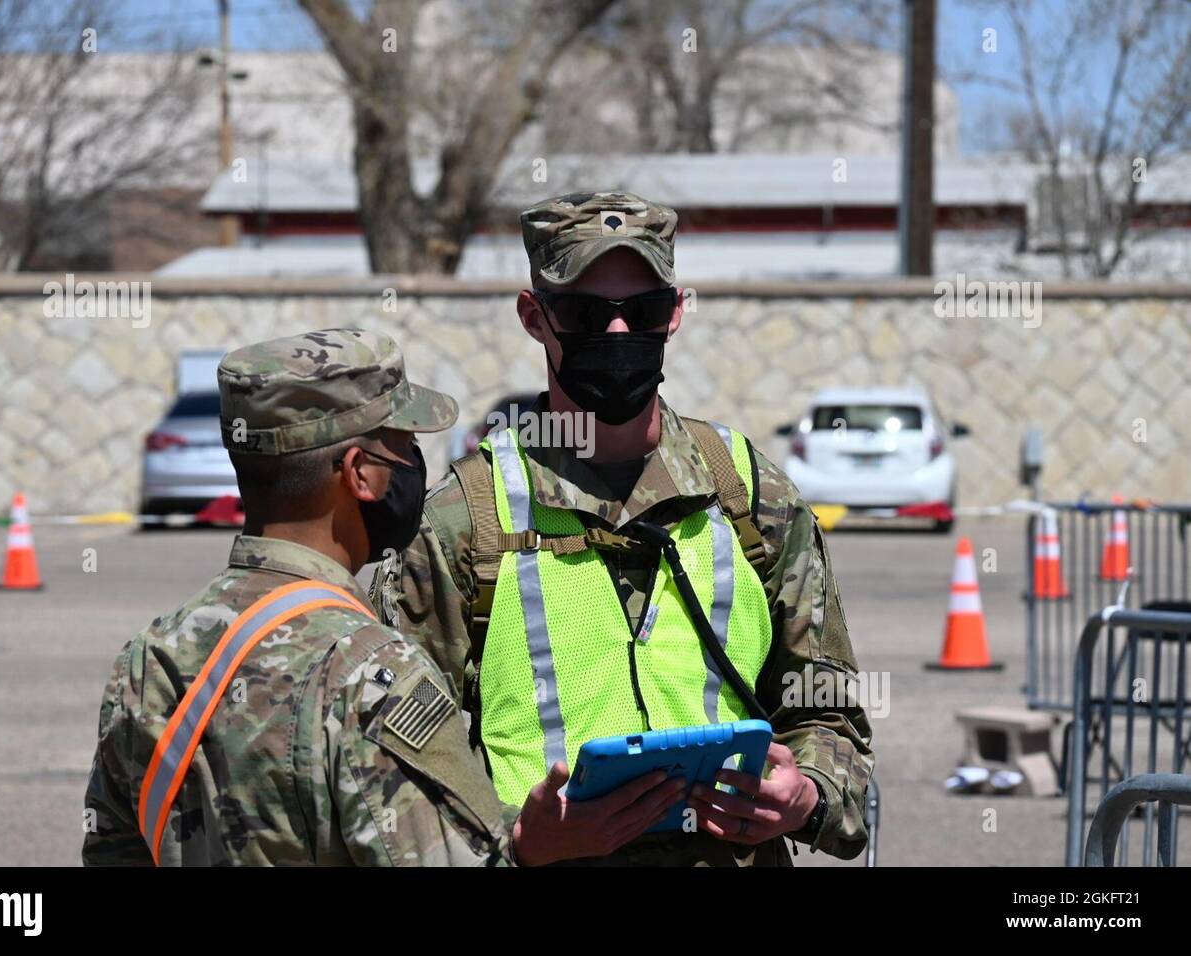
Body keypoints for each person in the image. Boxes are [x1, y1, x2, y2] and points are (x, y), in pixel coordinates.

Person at [373, 193, 876, 866]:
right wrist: (515, 842)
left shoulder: (750, 493)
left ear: (673, 314)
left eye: (639, 313)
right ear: (535, 317)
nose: (615, 336)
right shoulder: (468, 520)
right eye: (584, 313)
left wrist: (807, 794)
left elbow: (829, 710)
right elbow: (390, 770)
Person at [82, 328, 682, 866]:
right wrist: (531, 848)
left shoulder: (152, 656)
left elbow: (111, 850)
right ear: (360, 474)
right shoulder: (373, 672)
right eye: (404, 446)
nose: (416, 465)